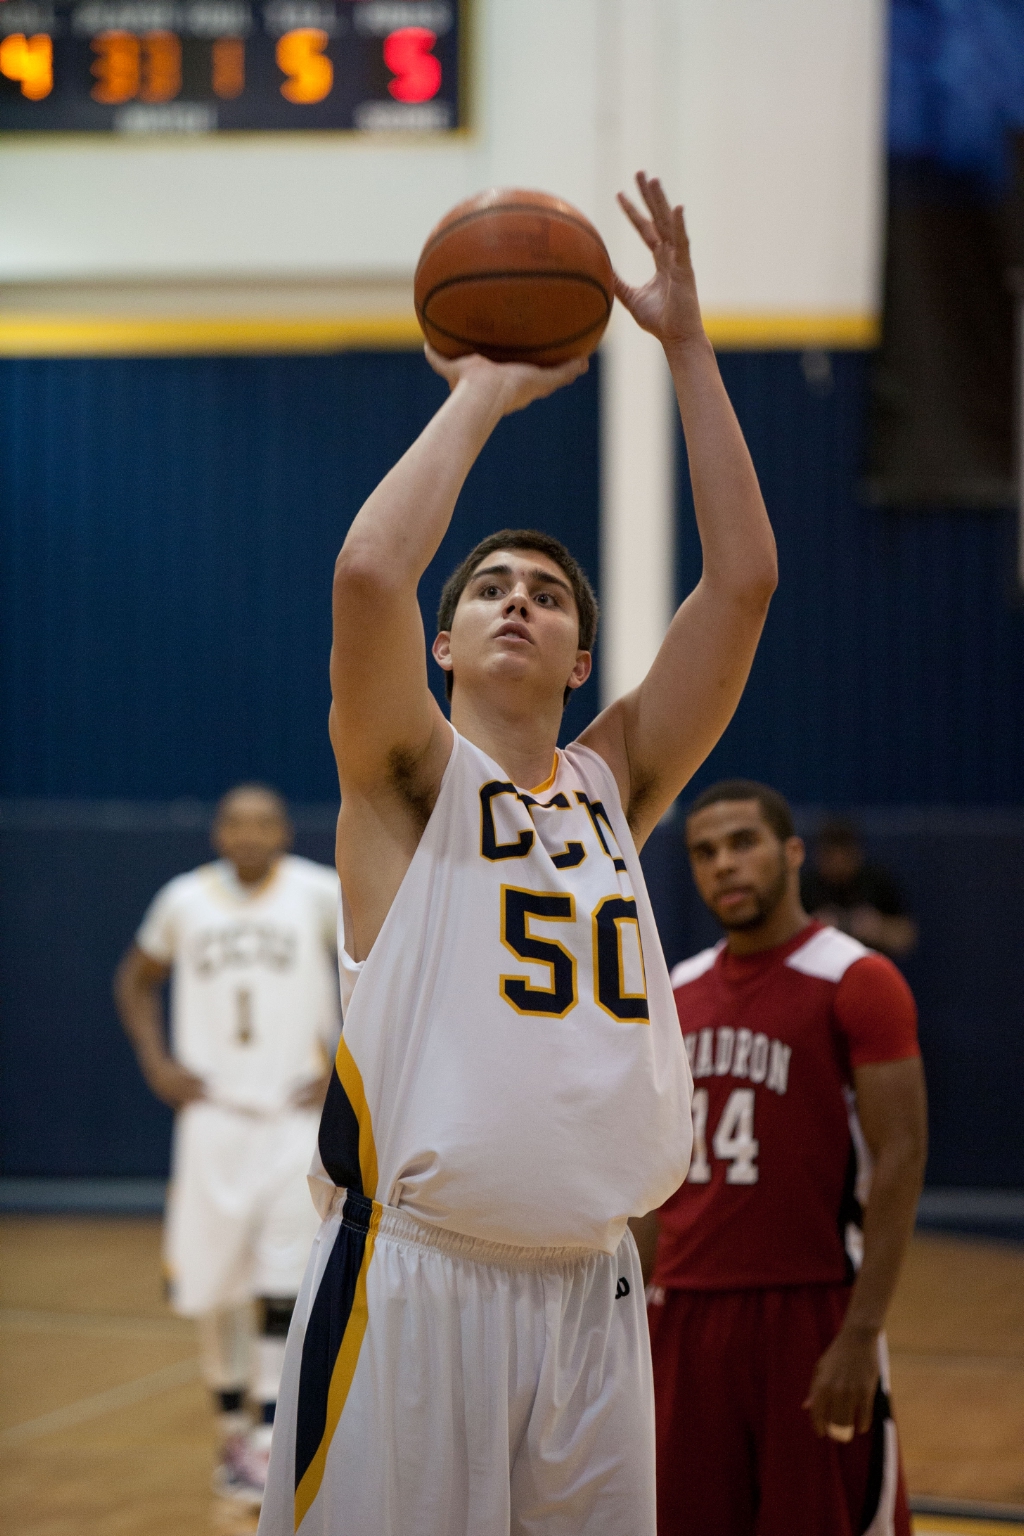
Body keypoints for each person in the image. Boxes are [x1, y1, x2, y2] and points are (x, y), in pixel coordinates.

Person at [257, 172, 778, 1536]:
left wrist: (686, 345)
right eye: (489, 588)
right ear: (441, 643)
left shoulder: (615, 782)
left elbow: (743, 583)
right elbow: (368, 574)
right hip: (413, 1282)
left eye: (545, 596)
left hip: (593, 1290)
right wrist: (485, 387)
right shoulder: (406, 777)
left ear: (579, 657)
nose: (516, 604)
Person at [635, 778, 927, 1536]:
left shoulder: (857, 978)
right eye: (704, 852)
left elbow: (901, 1156)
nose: (724, 865)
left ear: (792, 852)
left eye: (743, 843)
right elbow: (653, 1176)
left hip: (809, 1308)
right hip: (683, 1312)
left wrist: (860, 1334)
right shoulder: (678, 989)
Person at [114, 783, 340, 1507]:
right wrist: (157, 1064)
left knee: (284, 1277)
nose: (249, 834)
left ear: (284, 832)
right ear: (217, 833)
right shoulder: (184, 900)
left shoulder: (319, 892)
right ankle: (230, 1434)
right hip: (212, 1115)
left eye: (263, 822)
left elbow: (379, 966)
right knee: (213, 1286)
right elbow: (135, 979)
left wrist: (346, 1059)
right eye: (236, 823)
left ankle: (270, 1438)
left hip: (293, 1115)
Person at [802, 817, 917, 958]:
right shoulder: (805, 886)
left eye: (845, 855)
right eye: (831, 856)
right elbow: (785, 939)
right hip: (818, 966)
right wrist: (814, 929)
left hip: (870, 963)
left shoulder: (876, 881)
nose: (838, 863)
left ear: (856, 853)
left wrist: (878, 928)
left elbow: (906, 937)